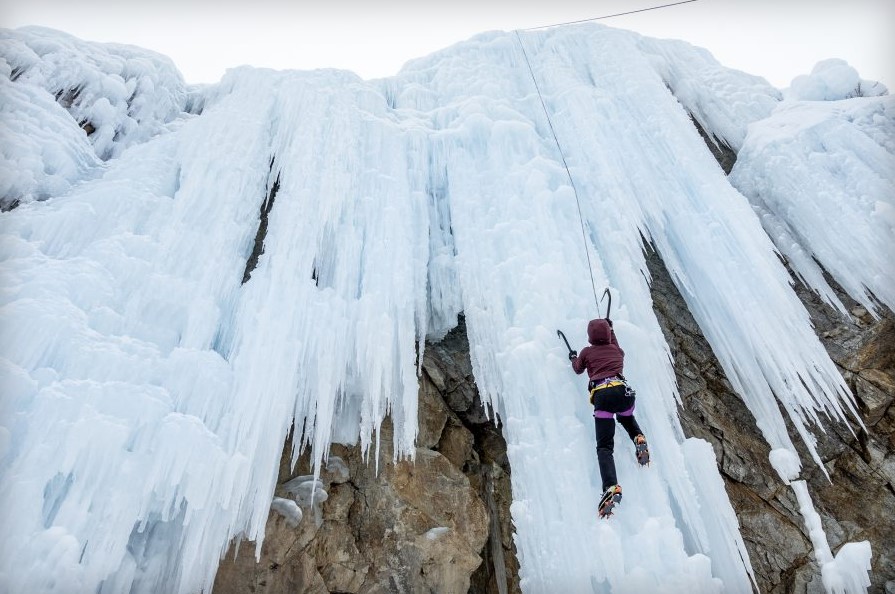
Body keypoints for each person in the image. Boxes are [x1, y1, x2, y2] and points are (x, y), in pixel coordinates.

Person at [568, 318, 649, 518]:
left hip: (602, 396)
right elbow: (616, 344)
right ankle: (638, 437)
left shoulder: (587, 352)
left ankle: (611, 487)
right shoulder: (616, 351)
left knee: (605, 447)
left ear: (590, 337)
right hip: (623, 392)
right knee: (626, 418)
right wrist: (611, 329)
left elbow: (578, 369)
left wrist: (573, 357)